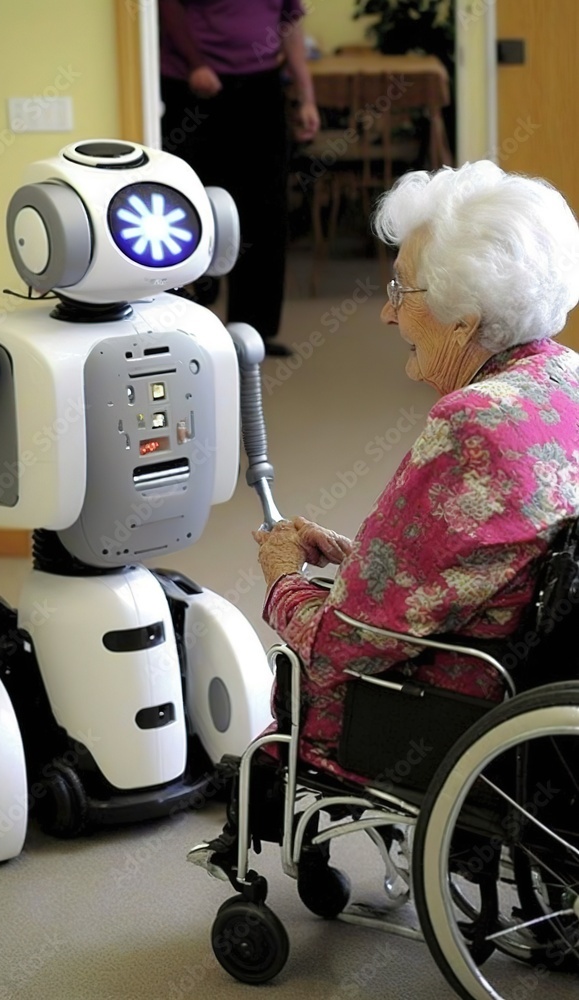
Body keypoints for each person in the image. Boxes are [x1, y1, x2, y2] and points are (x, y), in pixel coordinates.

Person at [188, 159, 579, 874]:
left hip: (450, 701)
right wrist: (358, 553)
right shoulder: (563, 378)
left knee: (300, 672)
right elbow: (490, 551)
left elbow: (341, 645)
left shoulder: (472, 423)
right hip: (533, 657)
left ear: (464, 319)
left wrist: (282, 577)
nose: (386, 312)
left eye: (402, 290)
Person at [158, 0, 320, 356]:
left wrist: (306, 96)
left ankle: (253, 333)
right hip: (193, 86)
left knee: (265, 208)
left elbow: (290, 25)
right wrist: (195, 64)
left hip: (260, 87)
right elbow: (168, 7)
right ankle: (184, 328)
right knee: (189, 206)